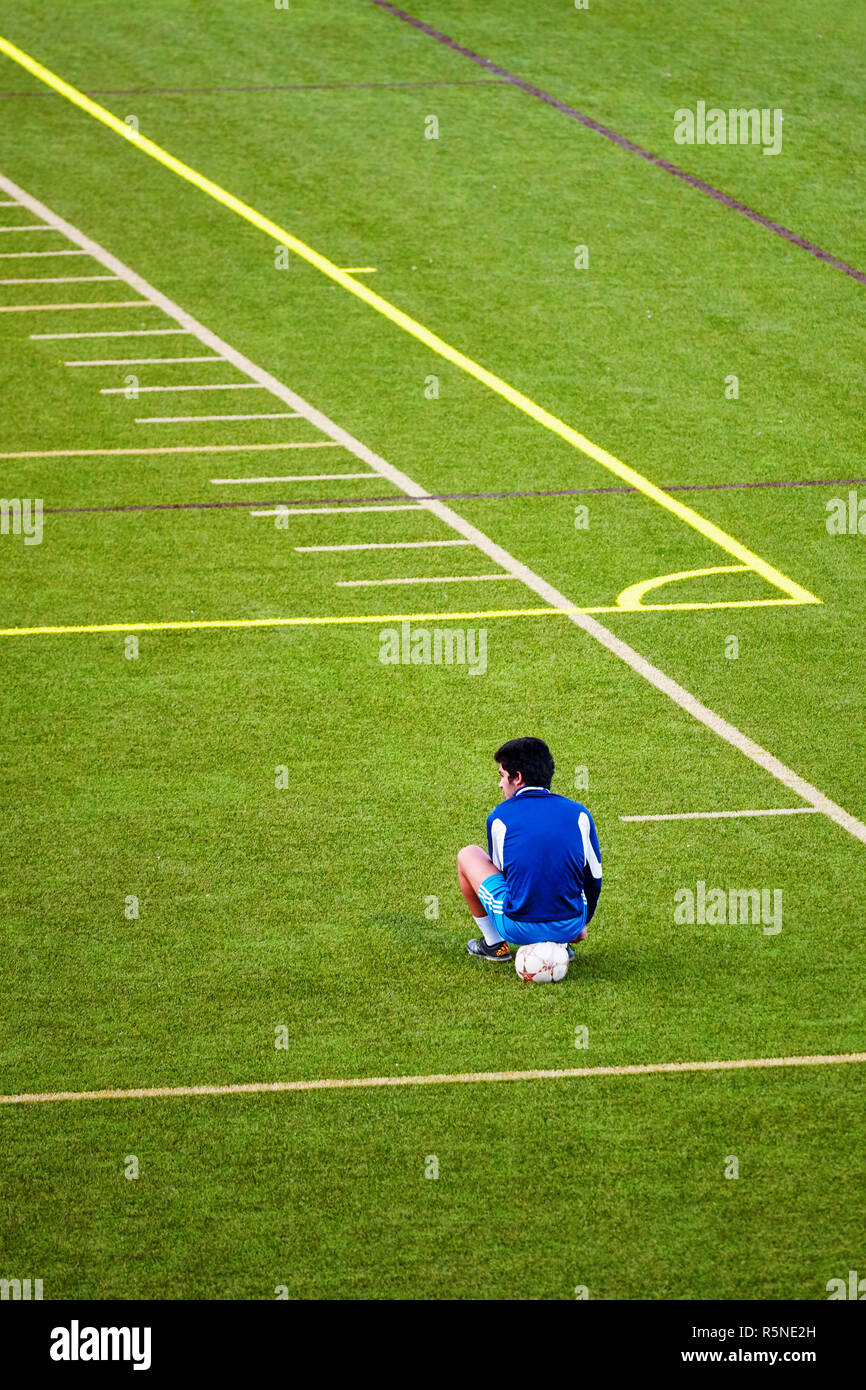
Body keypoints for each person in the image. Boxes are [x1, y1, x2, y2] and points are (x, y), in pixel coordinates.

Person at [457, 736, 602, 962]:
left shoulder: (499, 817)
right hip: (569, 924)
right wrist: (580, 924)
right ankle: (560, 943)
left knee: (468, 855)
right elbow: (594, 878)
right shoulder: (579, 813)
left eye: (503, 776)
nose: (500, 784)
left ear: (518, 778)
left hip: (517, 927)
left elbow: (506, 877)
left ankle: (494, 945)